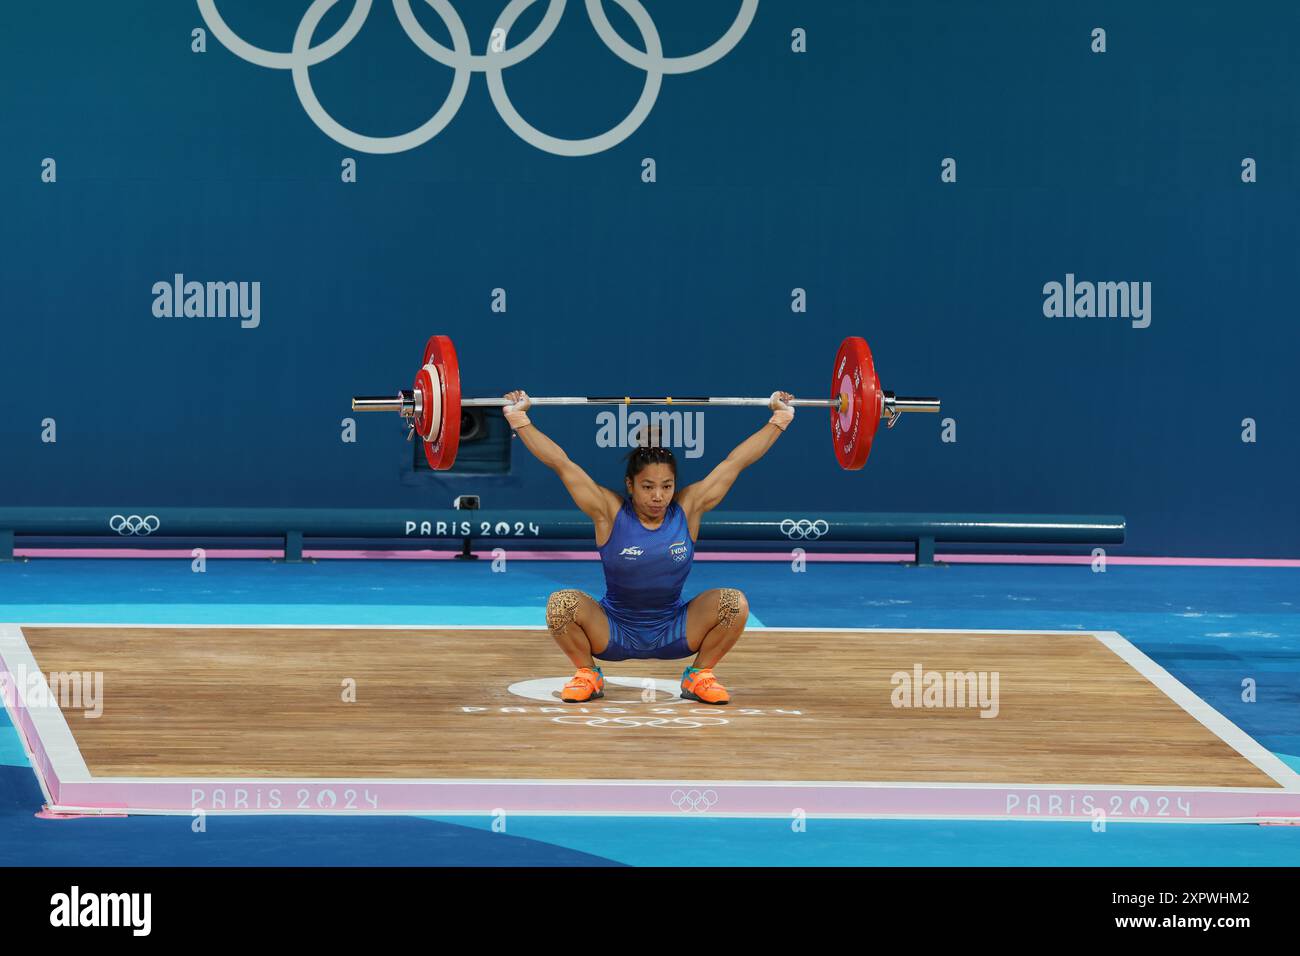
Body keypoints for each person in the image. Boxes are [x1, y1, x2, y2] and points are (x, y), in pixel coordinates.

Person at [501, 390, 795, 705]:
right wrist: (519, 419)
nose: (658, 496)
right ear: (630, 485)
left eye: (667, 487)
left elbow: (736, 462)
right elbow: (561, 463)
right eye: (648, 487)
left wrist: (780, 419)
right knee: (561, 605)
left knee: (734, 604)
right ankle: (587, 674)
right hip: (613, 630)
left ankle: (699, 675)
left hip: (675, 628)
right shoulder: (607, 510)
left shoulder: (689, 508)